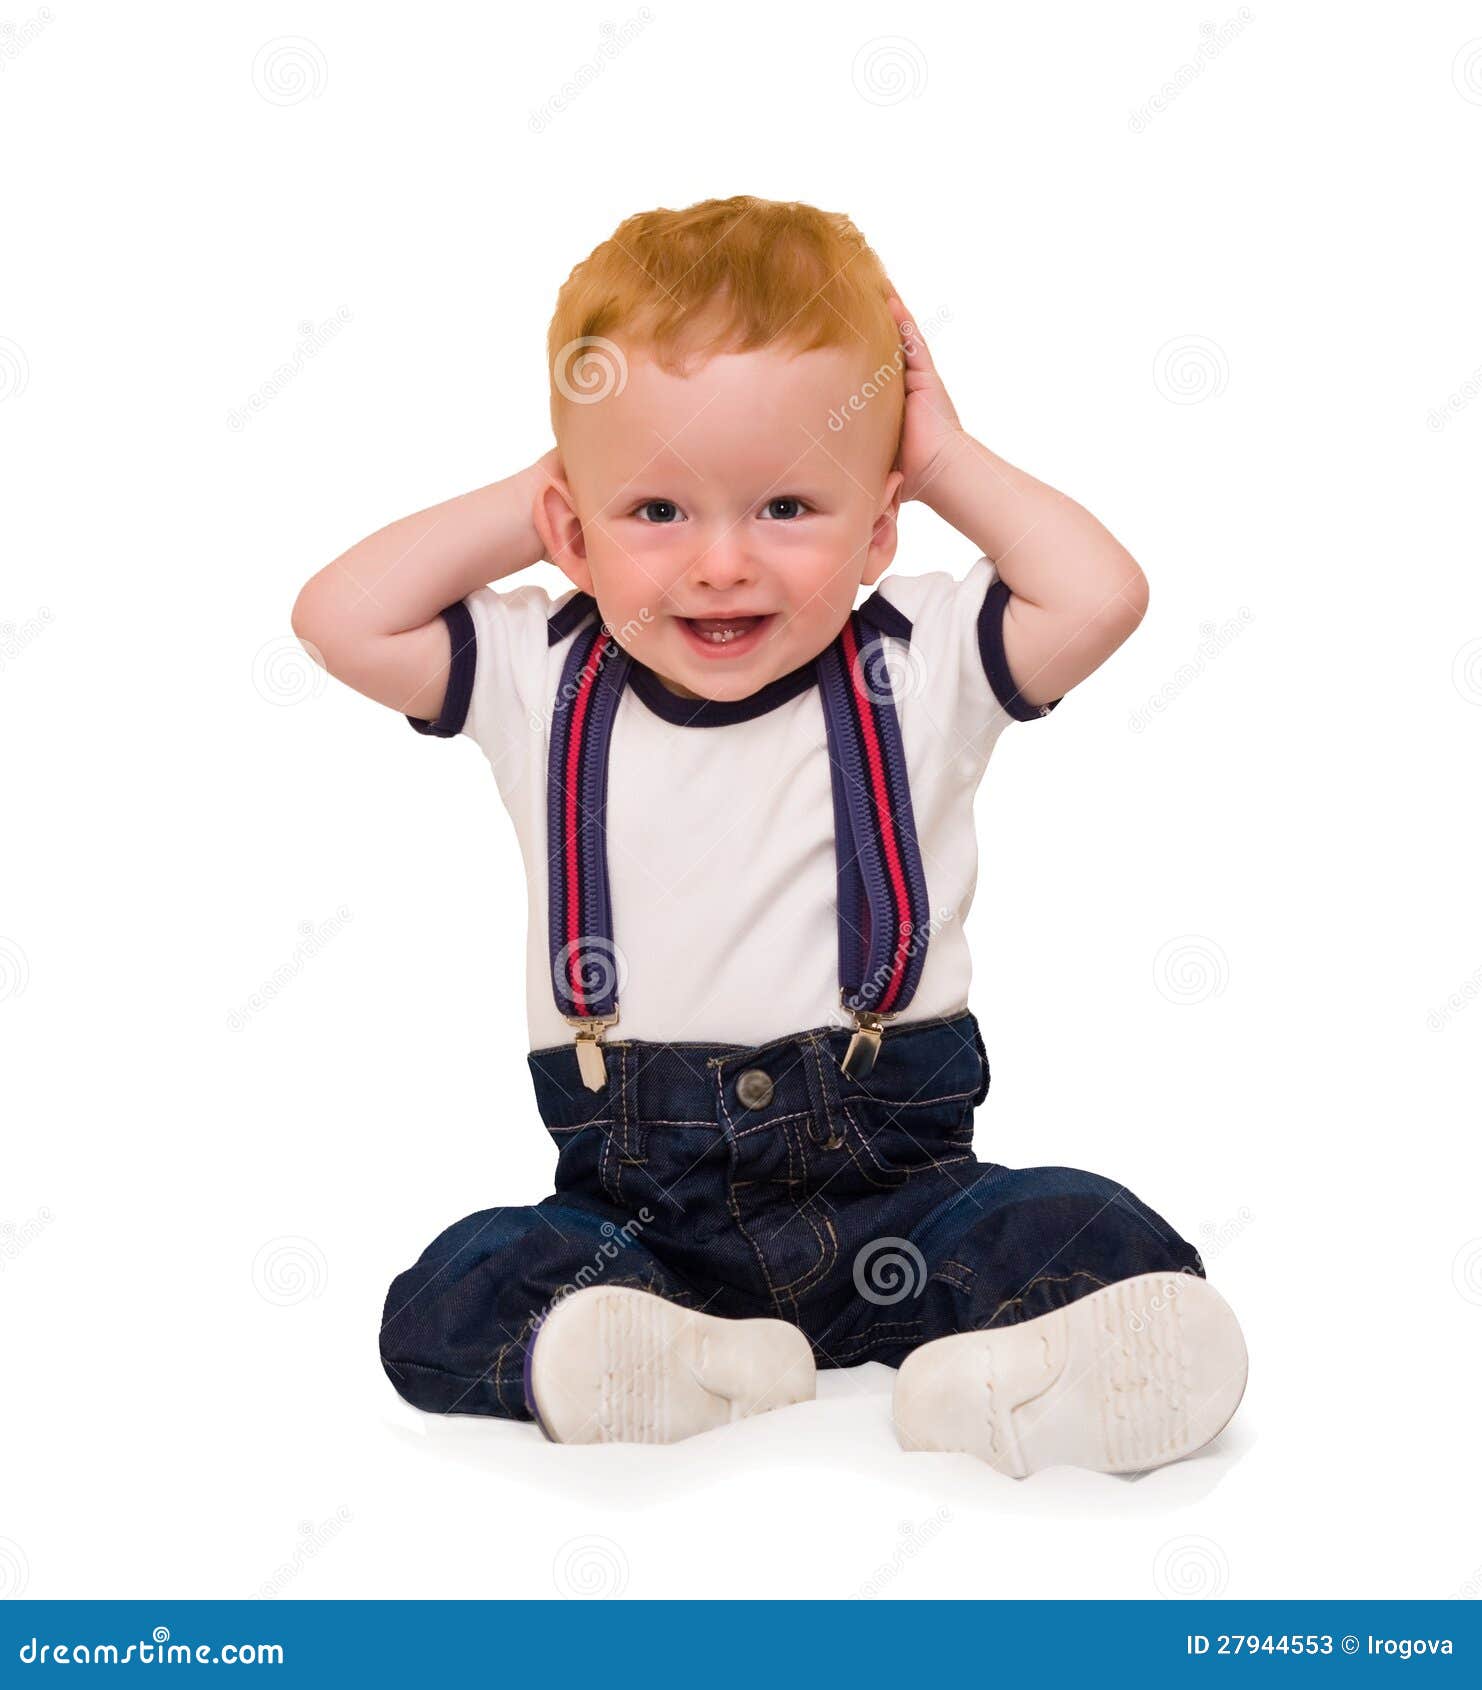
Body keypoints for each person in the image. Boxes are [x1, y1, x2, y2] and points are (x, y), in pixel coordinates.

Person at [291, 195, 1246, 1476]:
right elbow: (338, 617)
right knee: (453, 1291)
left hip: (903, 1200)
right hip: (641, 1232)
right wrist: (546, 500)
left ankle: (996, 1380)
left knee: (1088, 1226)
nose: (723, 563)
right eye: (658, 512)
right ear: (572, 529)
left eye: (790, 505)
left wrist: (945, 452)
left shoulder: (919, 664)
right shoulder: (540, 670)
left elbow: (1101, 591)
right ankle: (685, 1366)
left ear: (881, 525)